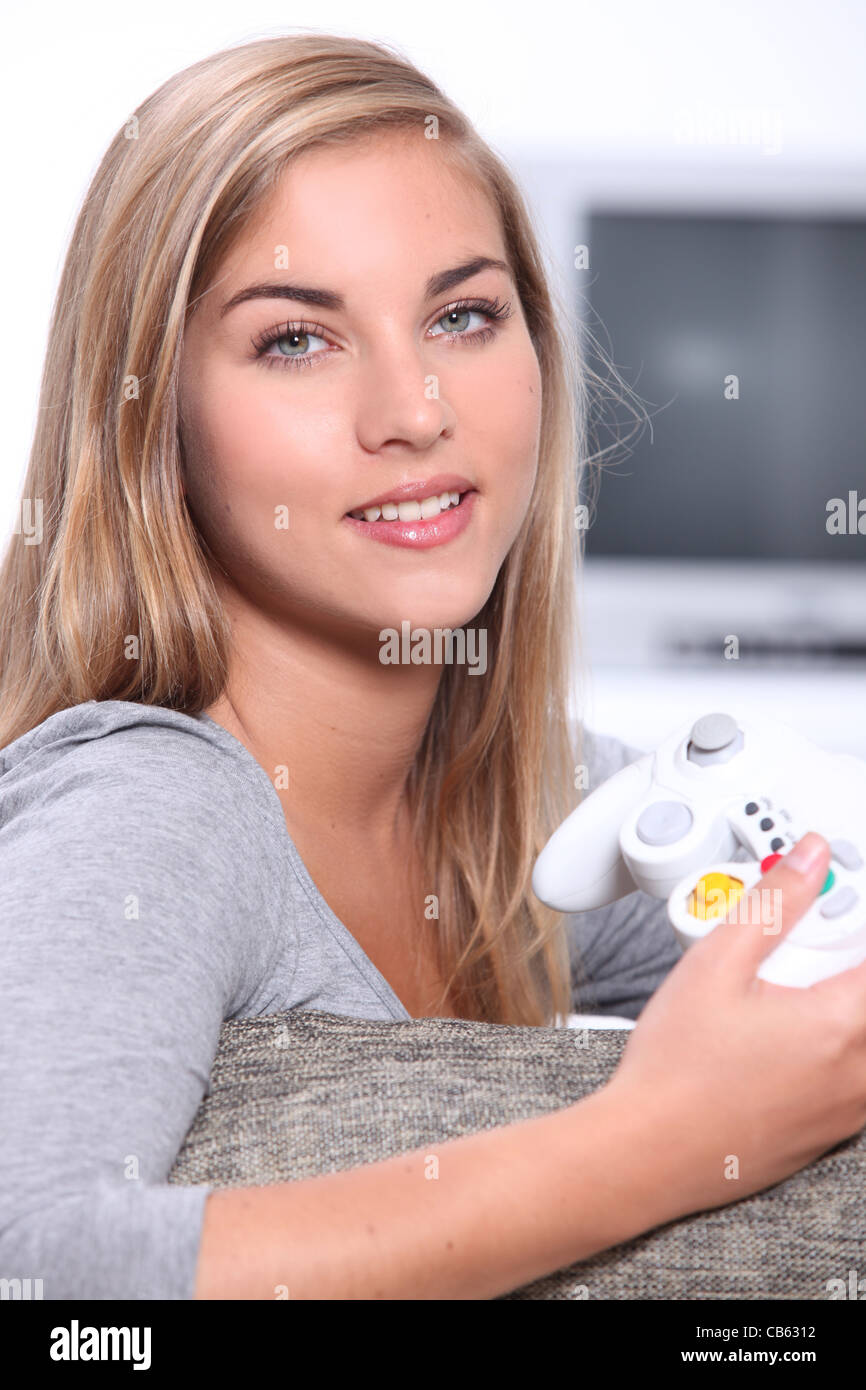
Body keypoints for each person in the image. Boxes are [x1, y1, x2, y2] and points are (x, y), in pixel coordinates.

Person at [1, 32, 864, 1302]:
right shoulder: (149, 810)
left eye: (462, 316)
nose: (412, 409)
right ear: (152, 421)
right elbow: (35, 1275)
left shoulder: (515, 782)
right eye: (296, 340)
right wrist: (658, 1140)